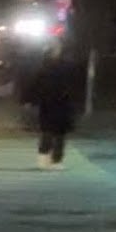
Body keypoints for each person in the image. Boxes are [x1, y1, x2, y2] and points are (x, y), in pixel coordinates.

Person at [30, 38, 74, 168]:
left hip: (56, 102)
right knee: (52, 132)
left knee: (55, 132)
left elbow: (34, 83)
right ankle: (50, 160)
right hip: (54, 102)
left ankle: (51, 160)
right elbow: (35, 84)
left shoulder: (44, 65)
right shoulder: (56, 66)